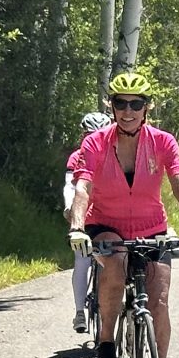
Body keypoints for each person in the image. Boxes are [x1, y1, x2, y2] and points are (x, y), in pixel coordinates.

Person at [67, 72, 179, 358]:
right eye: (121, 103)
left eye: (136, 104)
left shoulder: (163, 141)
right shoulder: (95, 143)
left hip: (152, 227)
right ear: (112, 105)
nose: (128, 111)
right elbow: (82, 188)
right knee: (115, 264)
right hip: (106, 223)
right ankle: (106, 341)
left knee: (159, 300)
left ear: (147, 107)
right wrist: (77, 227)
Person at [62, 110, 111, 334]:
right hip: (84, 213)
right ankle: (80, 311)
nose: (95, 138)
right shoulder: (77, 156)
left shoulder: (118, 153)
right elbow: (70, 186)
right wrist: (69, 209)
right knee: (82, 260)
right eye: (90, 134)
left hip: (109, 213)